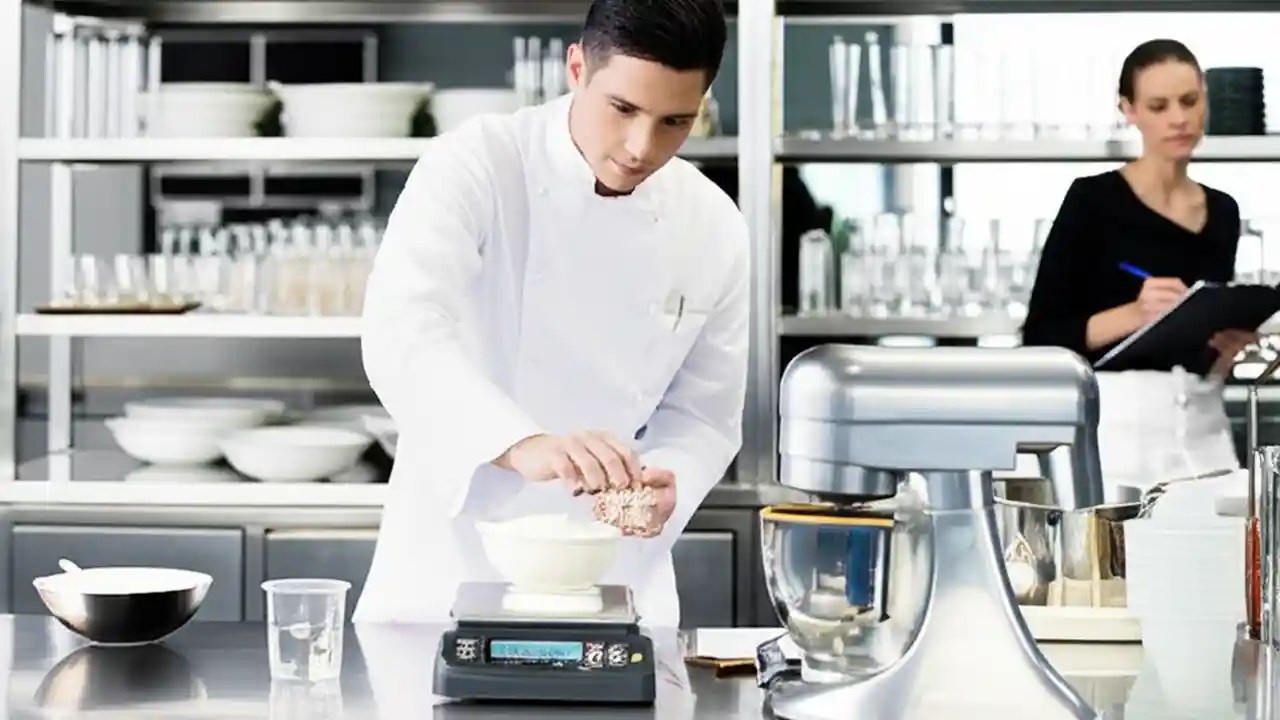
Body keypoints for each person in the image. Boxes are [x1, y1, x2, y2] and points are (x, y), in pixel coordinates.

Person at [352, 0, 749, 626]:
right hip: (449, 572)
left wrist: (669, 477)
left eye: (676, 121)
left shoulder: (714, 224)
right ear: (575, 68)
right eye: (622, 109)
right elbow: (404, 333)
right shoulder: (478, 163)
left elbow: (705, 414)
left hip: (615, 576)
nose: (641, 148)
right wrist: (522, 443)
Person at [1022, 38, 1255, 493]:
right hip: (1116, 433)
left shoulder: (1223, 211)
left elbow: (1201, 354)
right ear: (1128, 109)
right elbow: (1040, 337)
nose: (1179, 118)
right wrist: (1137, 315)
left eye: (1189, 101)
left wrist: (1226, 349)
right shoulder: (1091, 201)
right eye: (1158, 105)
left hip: (1205, 429)